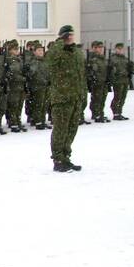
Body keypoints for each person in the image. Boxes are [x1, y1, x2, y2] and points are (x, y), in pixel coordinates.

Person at [46, 25, 87, 172]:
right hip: (62, 97)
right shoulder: (57, 51)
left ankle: (66, 157)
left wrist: (83, 95)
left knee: (71, 129)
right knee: (60, 130)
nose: (70, 37)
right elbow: (49, 61)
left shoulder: (76, 52)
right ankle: (58, 159)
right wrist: (59, 43)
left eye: (72, 34)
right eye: (67, 35)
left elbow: (81, 75)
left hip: (75, 97)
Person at [25, 43, 50, 129]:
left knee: (45, 104)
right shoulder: (33, 62)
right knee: (38, 104)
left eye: (42, 50)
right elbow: (32, 73)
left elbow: (48, 72)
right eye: (39, 50)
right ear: (34, 52)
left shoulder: (45, 61)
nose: (41, 52)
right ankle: (37, 121)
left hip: (46, 85)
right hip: (37, 86)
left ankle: (42, 120)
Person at [108, 43, 134, 120]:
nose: (120, 50)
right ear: (116, 49)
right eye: (118, 49)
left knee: (123, 97)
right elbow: (110, 69)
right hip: (117, 80)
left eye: (122, 49)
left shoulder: (125, 59)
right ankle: (116, 112)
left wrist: (131, 66)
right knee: (118, 96)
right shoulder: (113, 58)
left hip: (125, 80)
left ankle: (119, 112)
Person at [86, 41, 110, 123]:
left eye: (101, 47)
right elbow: (92, 71)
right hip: (97, 82)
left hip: (103, 81)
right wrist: (94, 79)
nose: (100, 49)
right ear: (94, 48)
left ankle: (100, 112)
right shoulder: (93, 59)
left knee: (102, 98)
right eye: (98, 48)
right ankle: (96, 114)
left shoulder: (103, 59)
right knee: (97, 98)